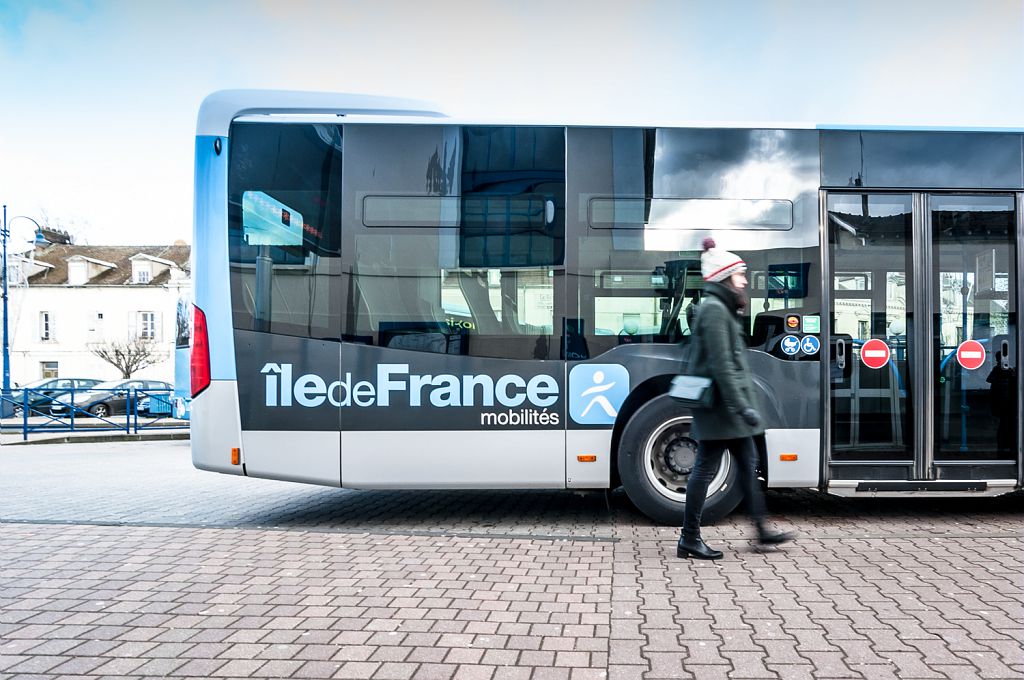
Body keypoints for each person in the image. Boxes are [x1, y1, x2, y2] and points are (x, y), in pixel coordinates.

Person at [678, 237, 793, 560]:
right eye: (740, 274)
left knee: (747, 467)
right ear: (726, 277)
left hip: (729, 408)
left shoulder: (723, 308)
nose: (744, 279)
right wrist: (740, 406)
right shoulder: (715, 310)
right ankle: (689, 537)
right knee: (704, 470)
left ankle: (761, 531)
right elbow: (722, 365)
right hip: (721, 409)